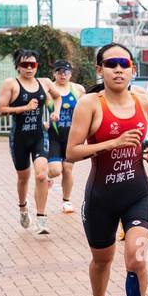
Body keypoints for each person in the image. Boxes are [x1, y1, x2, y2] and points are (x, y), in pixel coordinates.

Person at [65, 43, 148, 296]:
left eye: (124, 63)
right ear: (100, 70)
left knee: (136, 256)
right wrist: (112, 143)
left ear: (133, 69)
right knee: (102, 261)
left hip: (138, 193)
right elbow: (72, 152)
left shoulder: (143, 101)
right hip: (101, 198)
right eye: (111, 64)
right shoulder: (90, 104)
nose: (118, 69)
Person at [0, 49, 51, 233]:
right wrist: (25, 108)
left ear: (37, 66)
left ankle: (41, 219)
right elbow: (1, 109)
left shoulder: (43, 83)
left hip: (38, 135)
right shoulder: (11, 84)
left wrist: (54, 114)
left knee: (42, 175)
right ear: (18, 67)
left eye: (32, 65)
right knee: (23, 178)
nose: (29, 68)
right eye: (24, 65)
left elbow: (55, 99)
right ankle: (23, 207)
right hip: (19, 137)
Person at [45, 60, 86, 214]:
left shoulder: (78, 89)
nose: (63, 75)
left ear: (70, 73)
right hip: (53, 136)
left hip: (71, 136)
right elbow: (40, 109)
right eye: (59, 72)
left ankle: (66, 201)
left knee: (67, 169)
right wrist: (44, 121)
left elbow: (86, 110)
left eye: (66, 72)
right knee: (56, 171)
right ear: (54, 73)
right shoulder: (49, 90)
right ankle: (47, 176)